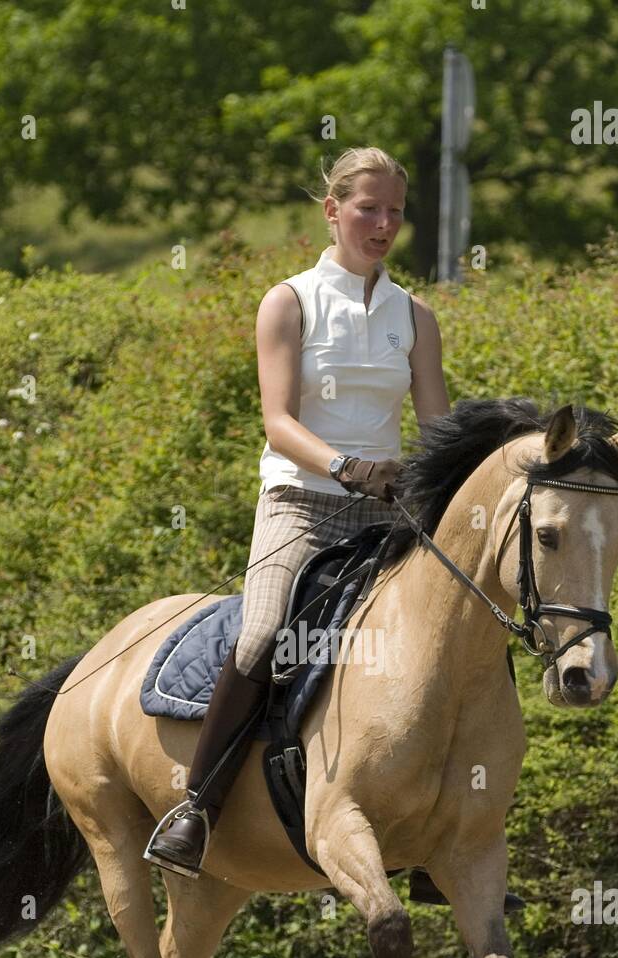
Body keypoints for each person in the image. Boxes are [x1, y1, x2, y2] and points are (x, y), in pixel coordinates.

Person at [145, 145, 450, 876]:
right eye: (367, 208)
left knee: (458, 627)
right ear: (332, 210)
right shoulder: (289, 300)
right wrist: (346, 467)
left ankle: (454, 827)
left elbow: (438, 427)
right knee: (259, 637)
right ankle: (196, 810)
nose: (382, 224)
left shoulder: (415, 314)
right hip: (299, 504)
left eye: (394, 212)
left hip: (383, 514)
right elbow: (277, 422)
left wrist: (431, 482)